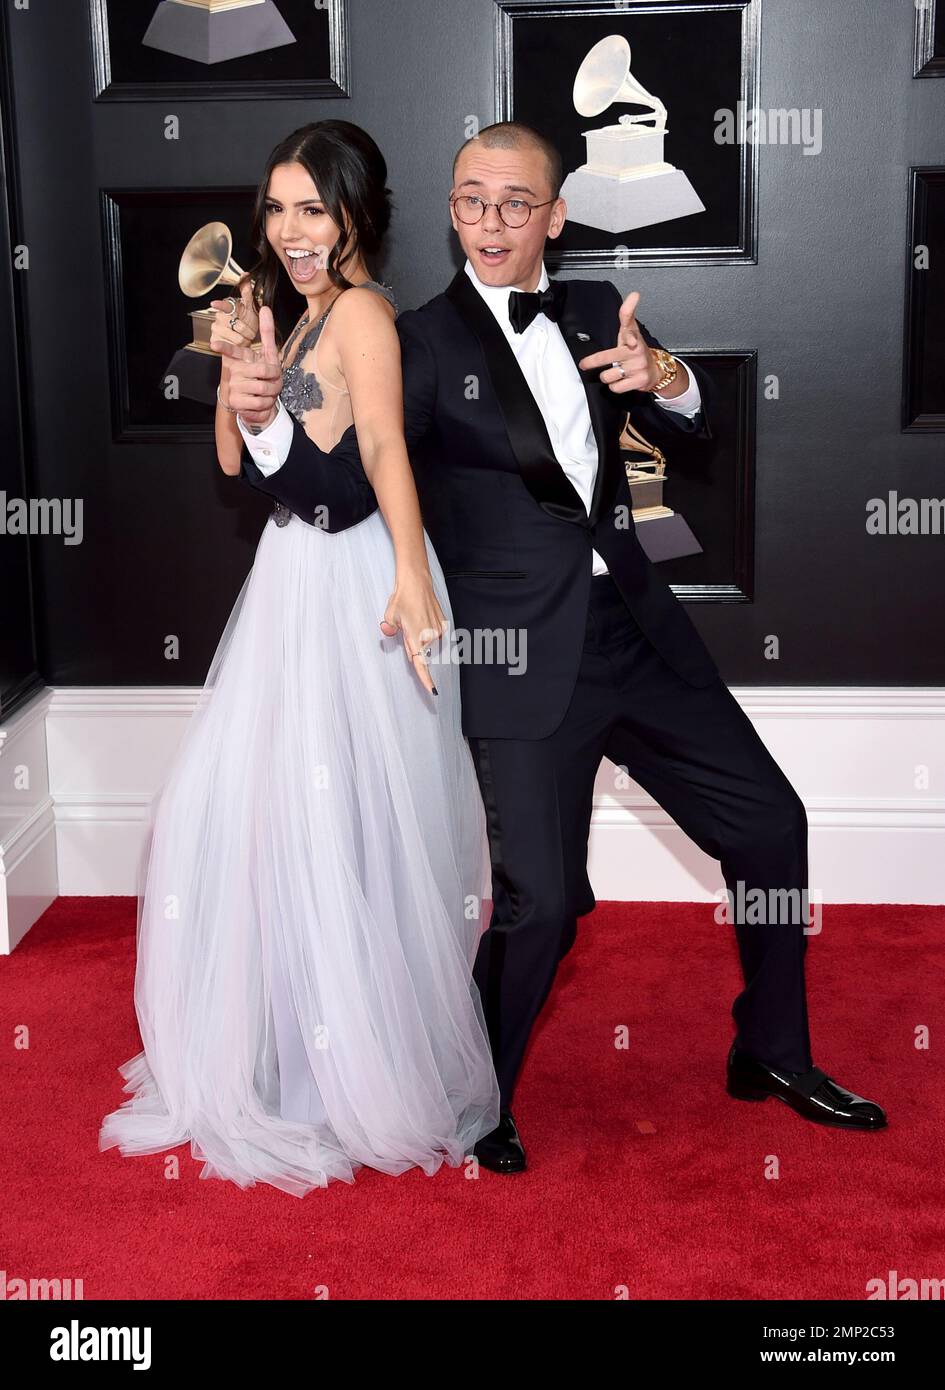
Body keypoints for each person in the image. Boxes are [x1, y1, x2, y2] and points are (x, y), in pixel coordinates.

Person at [238, 121, 887, 1174]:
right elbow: (344, 490)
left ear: (557, 215)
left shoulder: (591, 309)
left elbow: (696, 428)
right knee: (540, 904)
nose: (490, 223)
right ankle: (479, 1097)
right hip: (518, 655)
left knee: (772, 823)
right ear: (450, 211)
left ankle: (772, 1050)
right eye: (470, 201)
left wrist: (663, 374)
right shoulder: (420, 340)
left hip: (636, 630)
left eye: (514, 203)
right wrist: (266, 422)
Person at [99, 120, 500, 1197]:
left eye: (312, 209)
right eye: (276, 210)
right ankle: (296, 1047)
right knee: (267, 812)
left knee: (344, 817)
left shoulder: (362, 313)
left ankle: (356, 1065)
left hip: (352, 579)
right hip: (289, 575)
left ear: (356, 214)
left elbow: (380, 448)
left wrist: (410, 575)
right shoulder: (289, 307)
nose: (289, 231)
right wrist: (241, 372)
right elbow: (240, 464)